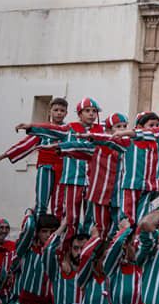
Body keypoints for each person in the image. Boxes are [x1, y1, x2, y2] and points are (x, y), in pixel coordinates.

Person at [18, 98, 104, 231]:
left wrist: (59, 145)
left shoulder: (100, 130)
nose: (91, 114)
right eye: (87, 111)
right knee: (67, 215)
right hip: (70, 178)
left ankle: (82, 241)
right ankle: (43, 233)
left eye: (94, 111)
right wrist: (32, 126)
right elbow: (51, 130)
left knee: (89, 215)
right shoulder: (70, 128)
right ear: (80, 114)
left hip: (91, 180)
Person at [0, 97, 68, 217]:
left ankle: (56, 232)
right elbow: (25, 145)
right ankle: (38, 229)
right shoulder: (42, 130)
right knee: (41, 202)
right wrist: (3, 155)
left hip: (62, 170)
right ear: (50, 111)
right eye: (56, 110)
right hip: (45, 168)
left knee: (59, 204)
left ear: (66, 113)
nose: (58, 113)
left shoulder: (68, 130)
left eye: (62, 110)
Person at [4, 211, 59, 304]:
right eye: (44, 231)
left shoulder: (59, 255)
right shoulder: (26, 251)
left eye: (52, 232)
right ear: (37, 233)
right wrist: (29, 213)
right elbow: (29, 227)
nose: (48, 235)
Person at [101, 219, 141, 304]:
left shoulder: (146, 267)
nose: (138, 249)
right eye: (135, 245)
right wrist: (125, 229)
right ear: (126, 245)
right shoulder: (114, 267)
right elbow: (116, 245)